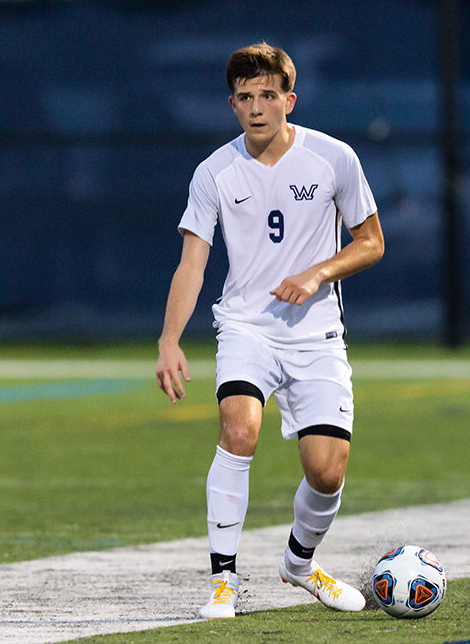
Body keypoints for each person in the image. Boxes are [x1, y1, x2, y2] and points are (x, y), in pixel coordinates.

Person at [155, 42, 385, 620]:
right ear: (231, 104)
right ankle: (223, 582)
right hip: (246, 327)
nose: (256, 107)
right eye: (244, 97)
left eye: (267, 95)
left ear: (290, 100)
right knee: (239, 431)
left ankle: (300, 564)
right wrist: (169, 340)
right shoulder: (214, 171)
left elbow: (371, 242)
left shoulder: (334, 158)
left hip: (316, 334)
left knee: (327, 471)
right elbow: (192, 264)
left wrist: (317, 273)